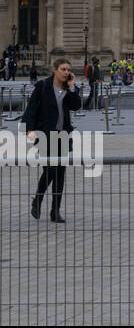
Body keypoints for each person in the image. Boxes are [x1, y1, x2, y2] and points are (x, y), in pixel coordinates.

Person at [21, 59, 82, 223]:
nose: (66, 72)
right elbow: (31, 108)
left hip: (63, 135)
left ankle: (55, 211)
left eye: (68, 69)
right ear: (54, 70)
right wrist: (27, 130)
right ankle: (38, 200)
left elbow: (76, 106)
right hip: (45, 135)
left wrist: (72, 87)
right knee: (51, 171)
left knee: (60, 174)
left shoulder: (68, 88)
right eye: (63, 69)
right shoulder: (43, 87)